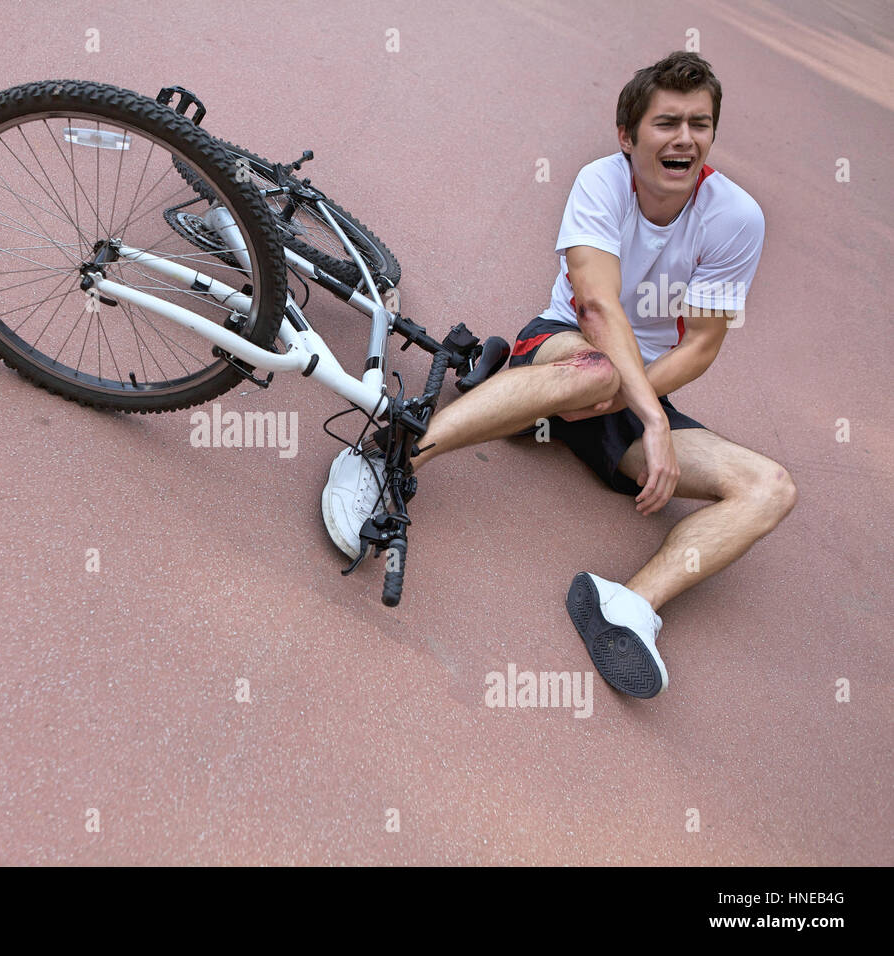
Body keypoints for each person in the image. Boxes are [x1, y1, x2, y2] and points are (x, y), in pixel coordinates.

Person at [321, 51, 796, 699]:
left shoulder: (736, 217)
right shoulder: (601, 184)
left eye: (699, 123)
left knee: (770, 487)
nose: (684, 137)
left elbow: (705, 343)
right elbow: (597, 311)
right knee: (598, 369)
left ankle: (628, 607)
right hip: (565, 350)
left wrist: (646, 408)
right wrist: (652, 417)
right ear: (628, 137)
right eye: (666, 123)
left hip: (631, 395)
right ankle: (390, 459)